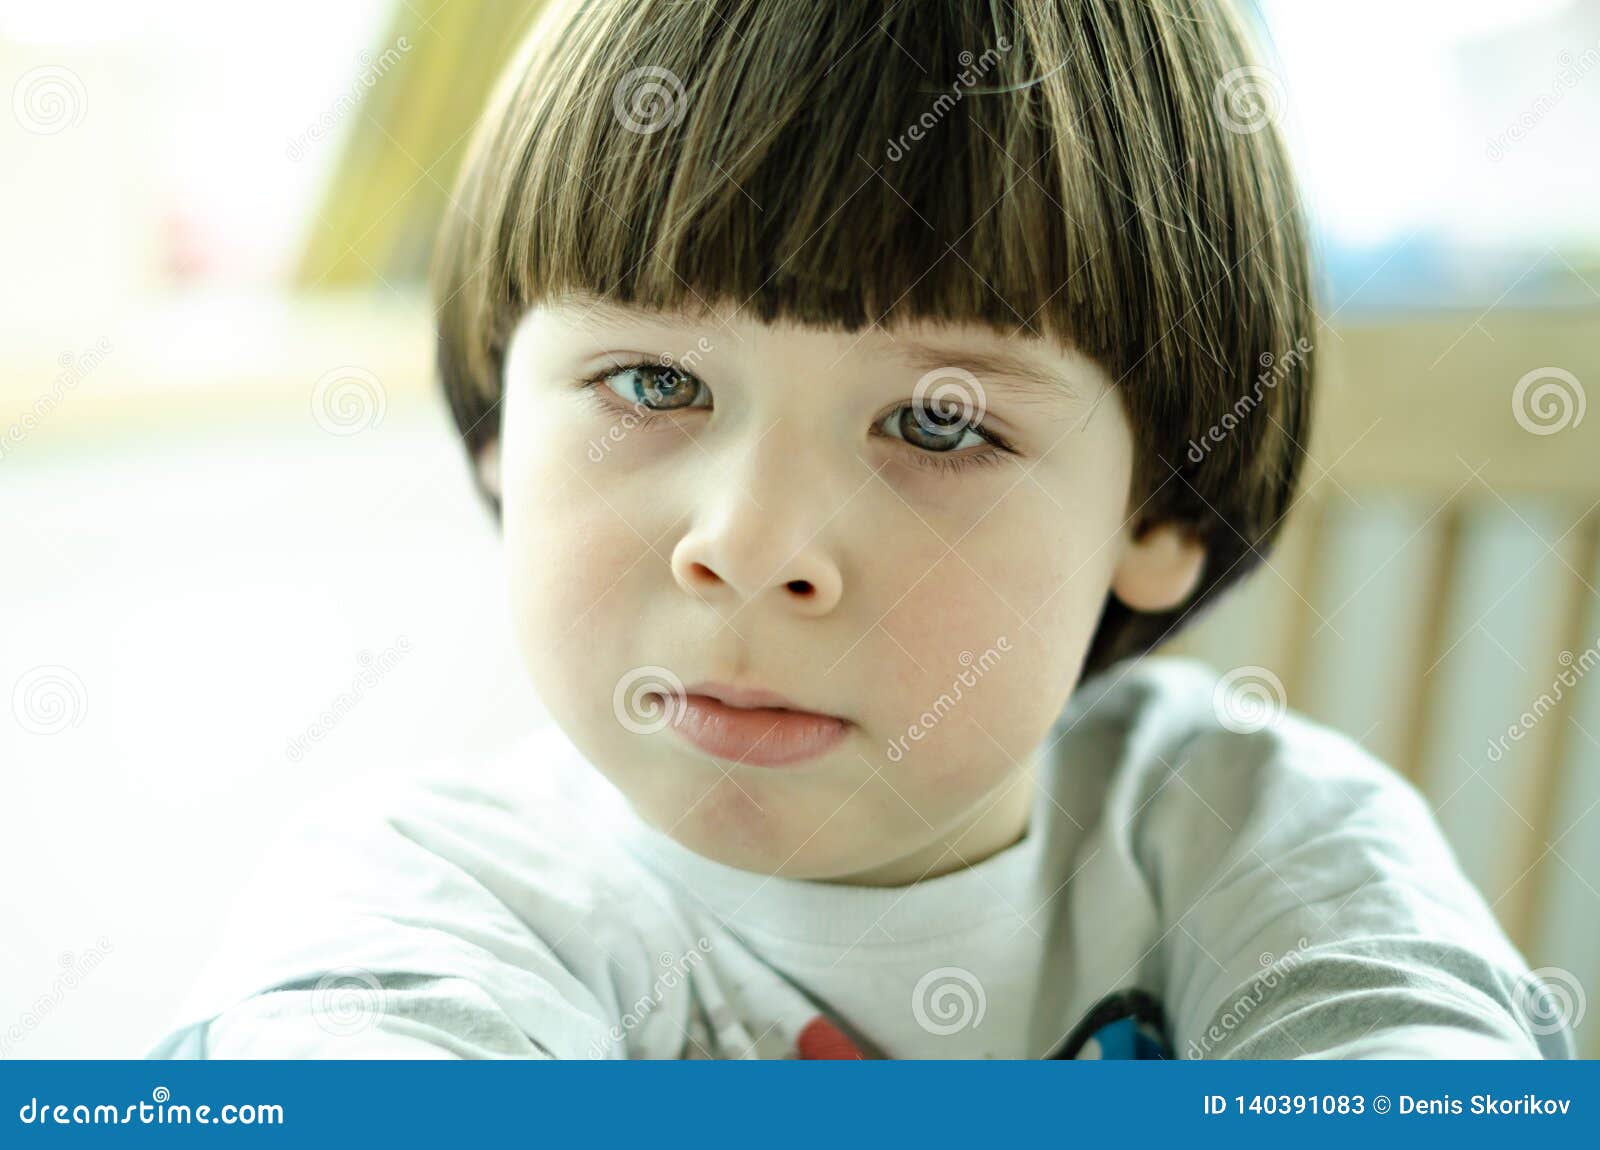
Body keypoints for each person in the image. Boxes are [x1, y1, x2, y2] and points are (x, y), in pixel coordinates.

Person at [147, 0, 1575, 1059]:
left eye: (939, 425)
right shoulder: (421, 904)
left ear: (1159, 509)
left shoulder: (1262, 836)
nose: (752, 544)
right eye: (654, 383)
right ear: (497, 438)